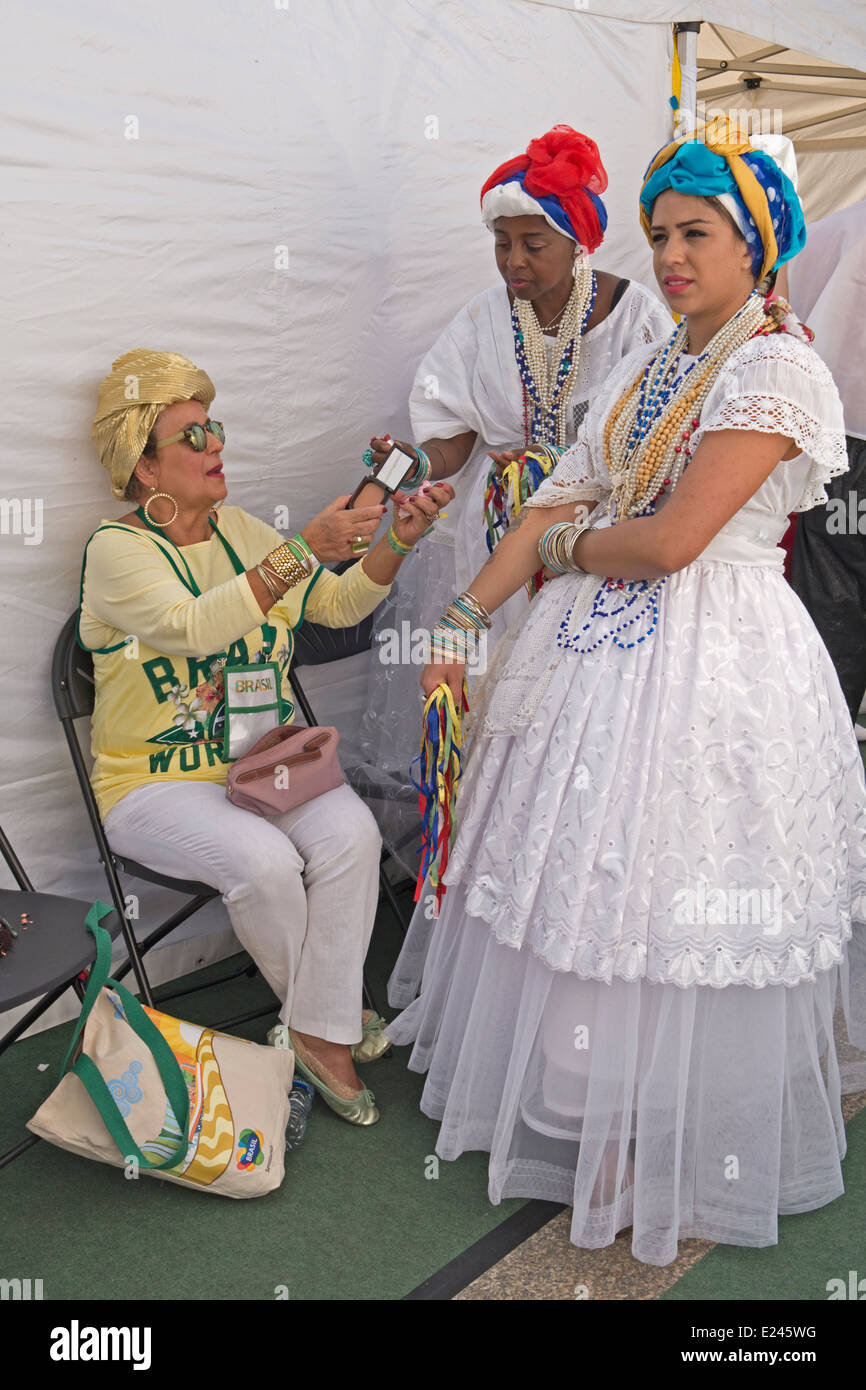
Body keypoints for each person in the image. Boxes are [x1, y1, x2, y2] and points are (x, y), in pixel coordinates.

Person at [385, 125, 866, 1265]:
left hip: (716, 665)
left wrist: (554, 560)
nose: (668, 256)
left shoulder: (777, 366)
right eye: (656, 235)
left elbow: (669, 542)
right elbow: (555, 500)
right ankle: (596, 1120)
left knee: (683, 881)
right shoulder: (650, 369)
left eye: (693, 233)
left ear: (756, 244)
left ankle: (683, 1130)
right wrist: (457, 622)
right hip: (591, 665)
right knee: (584, 880)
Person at [82, 349, 453, 1127]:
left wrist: (400, 538)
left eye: (214, 427)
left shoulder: (244, 532)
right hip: (152, 788)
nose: (215, 444)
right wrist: (301, 551)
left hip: (259, 766)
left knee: (351, 830)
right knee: (266, 861)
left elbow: (343, 605)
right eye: (191, 436)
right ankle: (330, 1027)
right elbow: (190, 627)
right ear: (144, 470)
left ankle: (316, 1032)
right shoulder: (116, 552)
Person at [358, 127, 672, 846]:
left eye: (534, 243)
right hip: (497, 537)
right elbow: (456, 435)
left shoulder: (638, 319)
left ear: (576, 240)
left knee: (576, 700)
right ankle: (494, 848)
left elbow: (653, 444)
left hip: (592, 541)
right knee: (496, 689)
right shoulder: (481, 321)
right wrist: (407, 462)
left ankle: (570, 848)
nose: (514, 261)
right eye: (503, 243)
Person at [788, 199, 866, 735]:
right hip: (842, 441)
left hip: (840, 436)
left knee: (835, 599)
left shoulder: (837, 226)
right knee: (832, 598)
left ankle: (829, 731)